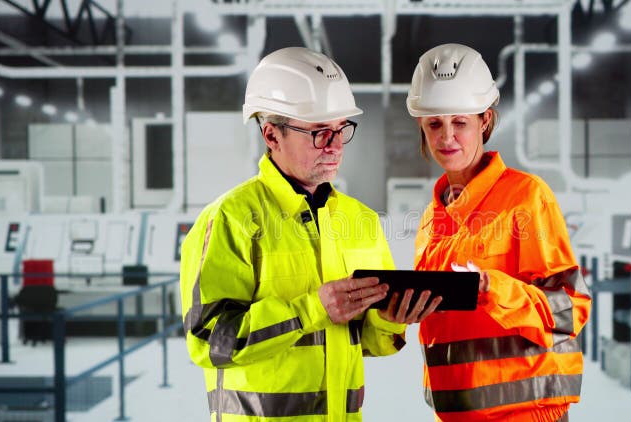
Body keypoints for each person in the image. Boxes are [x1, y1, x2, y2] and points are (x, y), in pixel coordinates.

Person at [180, 46, 440, 422]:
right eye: (319, 133)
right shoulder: (229, 219)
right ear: (271, 135)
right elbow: (208, 341)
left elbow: (369, 342)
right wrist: (311, 310)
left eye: (341, 130)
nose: (335, 147)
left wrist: (390, 319)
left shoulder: (361, 222)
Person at [406, 43, 592, 422]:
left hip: (525, 414)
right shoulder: (432, 218)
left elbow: (570, 310)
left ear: (485, 121)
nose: (447, 137)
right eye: (434, 124)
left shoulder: (526, 197)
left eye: (460, 123)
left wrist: (492, 289)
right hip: (455, 414)